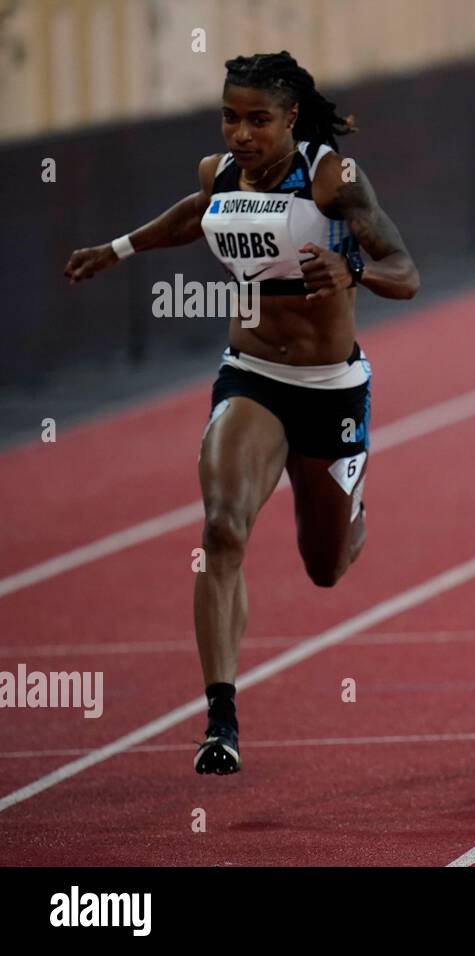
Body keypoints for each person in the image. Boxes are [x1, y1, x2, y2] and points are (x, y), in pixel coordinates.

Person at [63, 51, 419, 775]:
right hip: (251, 376)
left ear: (291, 117)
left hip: (329, 388)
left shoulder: (331, 177)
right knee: (222, 528)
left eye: (259, 119)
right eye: (231, 117)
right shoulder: (218, 173)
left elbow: (406, 272)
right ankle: (220, 718)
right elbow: (197, 216)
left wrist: (352, 271)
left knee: (325, 567)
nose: (242, 134)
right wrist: (120, 248)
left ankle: (350, 510)